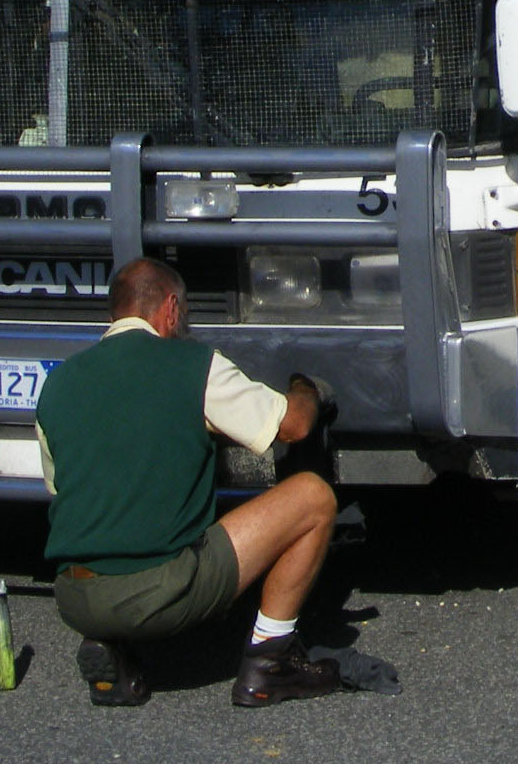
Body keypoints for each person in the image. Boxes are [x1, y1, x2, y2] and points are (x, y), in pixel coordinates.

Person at [35, 256, 341, 708]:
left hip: (74, 598)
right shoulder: (193, 366)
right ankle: (270, 661)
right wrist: (306, 388)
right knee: (313, 498)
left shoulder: (57, 384)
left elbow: (64, 492)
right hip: (157, 594)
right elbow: (293, 426)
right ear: (172, 309)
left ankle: (113, 643)